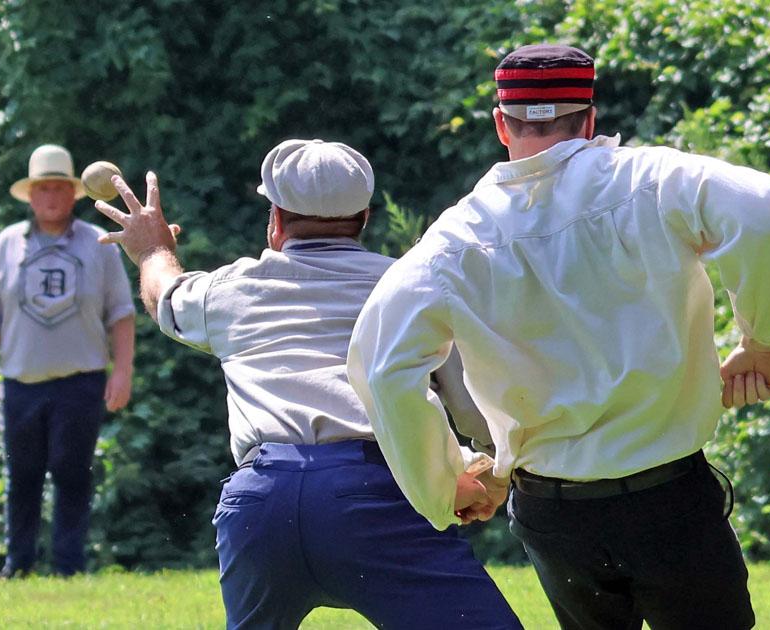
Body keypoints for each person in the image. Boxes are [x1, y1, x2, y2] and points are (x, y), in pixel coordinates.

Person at [347, 44, 770, 630]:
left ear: (501, 126)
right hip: (670, 499)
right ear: (588, 118)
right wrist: (758, 337)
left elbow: (381, 367)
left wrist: (444, 483)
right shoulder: (652, 179)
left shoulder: (454, 241)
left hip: (554, 514)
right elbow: (762, 209)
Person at [93, 139, 521, 629]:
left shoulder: (231, 290)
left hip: (260, 502)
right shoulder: (411, 285)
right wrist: (474, 476)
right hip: (376, 499)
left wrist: (152, 248)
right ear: (363, 217)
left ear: (275, 218)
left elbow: (165, 295)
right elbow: (474, 413)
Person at [0, 144, 137, 578]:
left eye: (60, 187)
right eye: (43, 189)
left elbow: (121, 314)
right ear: (31, 195)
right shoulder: (8, 244)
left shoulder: (99, 245)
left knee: (70, 471)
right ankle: (18, 564)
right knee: (21, 474)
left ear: (74, 193)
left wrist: (123, 371)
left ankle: (68, 566)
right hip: (21, 379)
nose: (52, 197)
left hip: (81, 379)